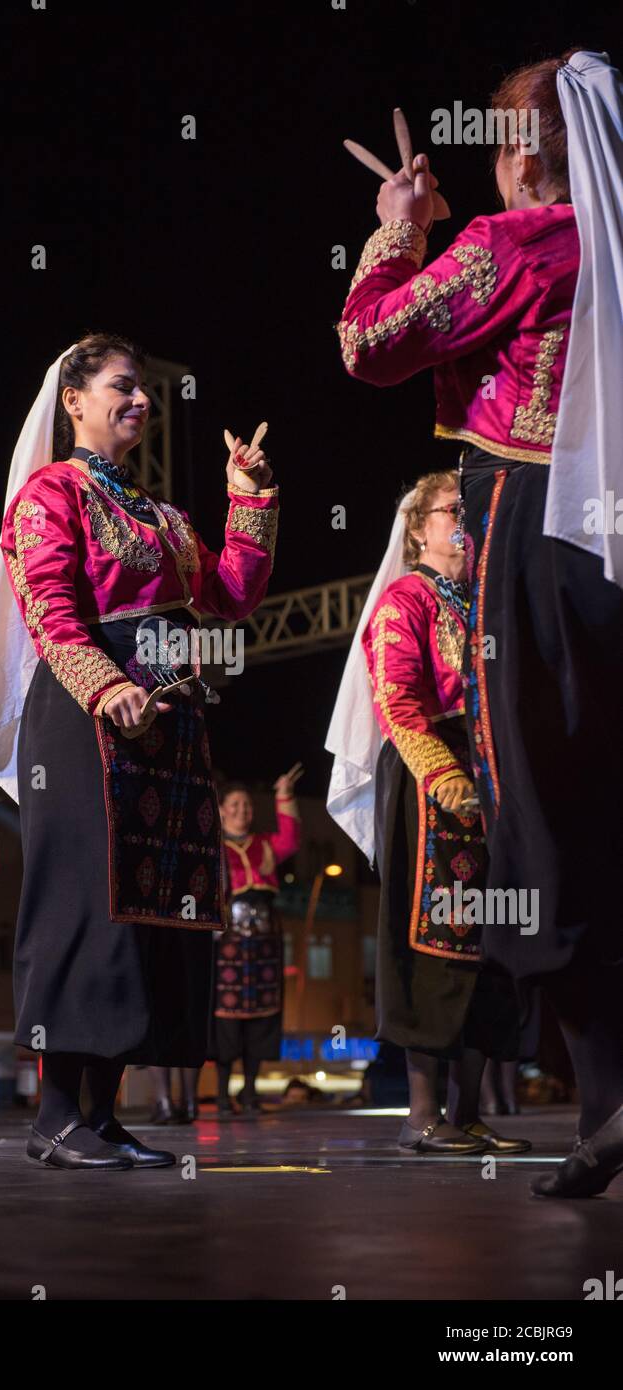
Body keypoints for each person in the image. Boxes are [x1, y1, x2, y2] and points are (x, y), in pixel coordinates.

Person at [335, 51, 623, 1195]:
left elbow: (370, 346)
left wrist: (398, 227)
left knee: (543, 812)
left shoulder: (514, 247)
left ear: (522, 152)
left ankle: (607, 1099)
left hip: (539, 529)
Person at [0, 333, 279, 1170]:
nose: (139, 400)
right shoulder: (49, 492)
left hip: (168, 716)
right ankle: (57, 1115)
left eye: (143, 389)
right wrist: (105, 688)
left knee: (145, 911)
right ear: (72, 400)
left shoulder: (163, 515)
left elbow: (229, 599)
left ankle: (100, 1115)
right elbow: (48, 604)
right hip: (85, 713)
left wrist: (246, 497)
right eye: (121, 386)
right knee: (84, 904)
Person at [328, 475, 529, 1155]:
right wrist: (443, 775)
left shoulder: (479, 606)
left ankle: (467, 1111)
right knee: (433, 936)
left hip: (487, 773)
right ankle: (420, 1116)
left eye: (471, 512)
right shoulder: (403, 599)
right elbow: (397, 697)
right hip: (427, 775)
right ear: (418, 528)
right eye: (453, 511)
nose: (465, 522)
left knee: (491, 944)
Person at [212, 769, 301, 1116]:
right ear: (220, 810)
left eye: (247, 805)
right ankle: (222, 1095)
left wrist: (284, 795)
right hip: (228, 944)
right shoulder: (213, 847)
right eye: (234, 804)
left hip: (265, 944)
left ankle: (250, 1093)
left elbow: (291, 840)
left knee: (262, 1017)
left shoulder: (264, 844)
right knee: (226, 1018)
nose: (242, 810)